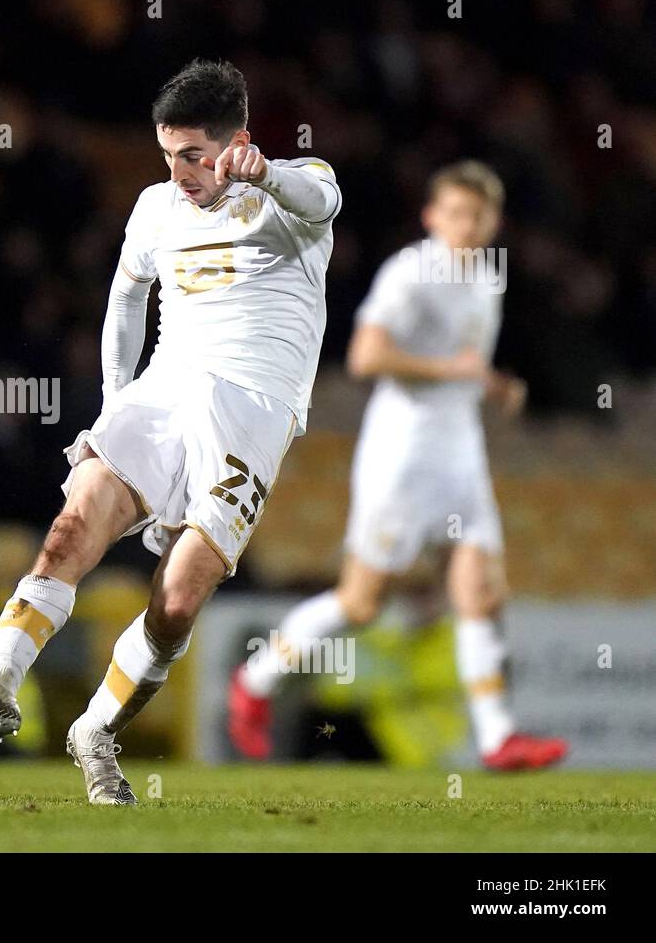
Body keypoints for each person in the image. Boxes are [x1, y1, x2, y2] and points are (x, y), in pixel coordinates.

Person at [0, 58, 340, 804]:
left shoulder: (293, 187)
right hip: (164, 387)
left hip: (251, 407)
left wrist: (265, 173)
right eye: (167, 154)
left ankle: (97, 729)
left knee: (178, 597)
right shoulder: (155, 208)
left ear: (236, 141)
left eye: (194, 155)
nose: (179, 172)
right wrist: (117, 407)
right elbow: (125, 303)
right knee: (70, 525)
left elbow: (320, 200)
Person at [229, 160, 567, 771]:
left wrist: (490, 384)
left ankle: (497, 738)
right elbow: (365, 357)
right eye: (456, 213)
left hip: (461, 454)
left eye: (479, 215)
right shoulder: (410, 275)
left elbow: (456, 362)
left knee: (481, 592)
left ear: (493, 221)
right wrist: (453, 372)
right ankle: (255, 682)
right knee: (361, 603)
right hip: (402, 456)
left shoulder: (487, 281)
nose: (467, 226)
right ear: (432, 216)